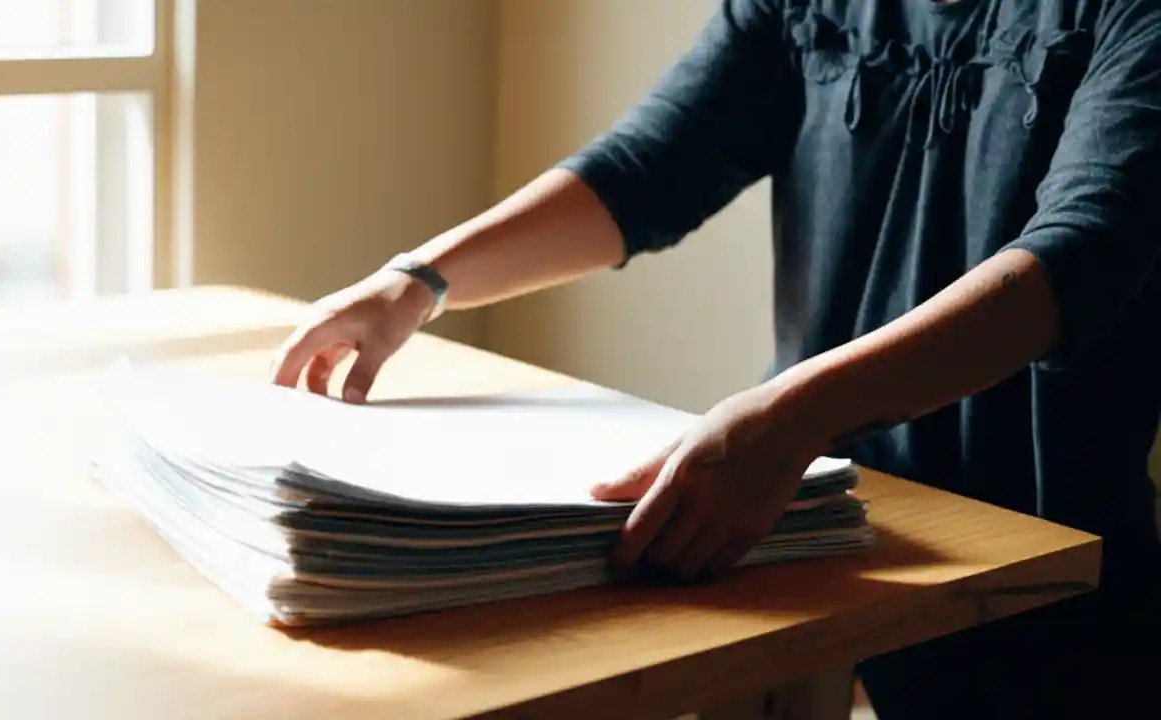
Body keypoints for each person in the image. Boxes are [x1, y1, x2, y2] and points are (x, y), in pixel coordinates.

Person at [270, 0, 1160, 715]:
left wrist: (791, 413)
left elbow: (1080, 257)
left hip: (1045, 576)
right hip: (826, 527)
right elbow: (648, 169)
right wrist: (422, 279)